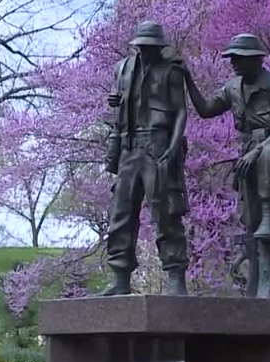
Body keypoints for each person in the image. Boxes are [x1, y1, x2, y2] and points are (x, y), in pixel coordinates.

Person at [175, 33, 270, 244]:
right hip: (248, 149)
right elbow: (206, 109)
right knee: (249, 220)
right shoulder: (233, 87)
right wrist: (187, 78)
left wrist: (258, 150)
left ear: (255, 60)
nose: (233, 63)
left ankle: (269, 218)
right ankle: (255, 243)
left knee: (268, 153)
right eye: (232, 58)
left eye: (238, 58)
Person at [102, 21, 190, 296]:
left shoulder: (171, 72)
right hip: (129, 147)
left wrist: (174, 147)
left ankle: (176, 277)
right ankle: (120, 278)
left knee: (166, 213)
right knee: (121, 213)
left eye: (150, 47)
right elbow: (118, 115)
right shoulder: (123, 69)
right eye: (142, 47)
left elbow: (180, 112)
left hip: (158, 146)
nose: (145, 51)